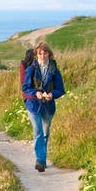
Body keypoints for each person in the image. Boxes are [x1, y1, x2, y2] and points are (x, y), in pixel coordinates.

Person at [22, 42, 65, 172]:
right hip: (33, 105)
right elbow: (25, 88)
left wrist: (52, 94)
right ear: (36, 54)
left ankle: (43, 158)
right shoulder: (31, 69)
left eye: (45, 53)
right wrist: (36, 93)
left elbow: (61, 89)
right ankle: (40, 160)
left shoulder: (54, 70)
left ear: (49, 54)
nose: (43, 55)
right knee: (38, 132)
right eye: (40, 53)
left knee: (45, 133)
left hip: (48, 105)